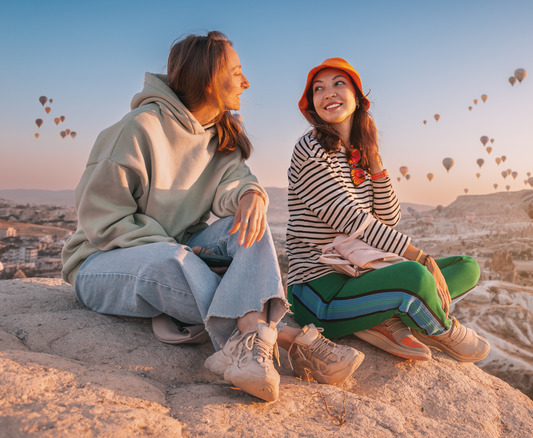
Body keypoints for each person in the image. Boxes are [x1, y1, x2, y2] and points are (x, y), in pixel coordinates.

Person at [60, 32, 363, 403]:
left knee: (247, 228)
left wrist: (251, 195)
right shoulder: (138, 128)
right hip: (100, 262)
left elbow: (235, 182)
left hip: (178, 248)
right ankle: (285, 337)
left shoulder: (219, 135)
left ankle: (251, 342)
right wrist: (180, 249)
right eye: (237, 72)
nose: (246, 82)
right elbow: (102, 219)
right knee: (172, 259)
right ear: (208, 79)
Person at [286, 57, 490, 362]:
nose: (328, 93)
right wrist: (421, 257)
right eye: (319, 89)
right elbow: (349, 218)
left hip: (362, 273)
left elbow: (388, 218)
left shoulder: (358, 154)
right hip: (318, 290)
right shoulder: (310, 148)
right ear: (313, 105)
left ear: (357, 97)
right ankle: (442, 330)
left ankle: (386, 317)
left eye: (338, 84)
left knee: (467, 265)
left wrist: (376, 163)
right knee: (415, 272)